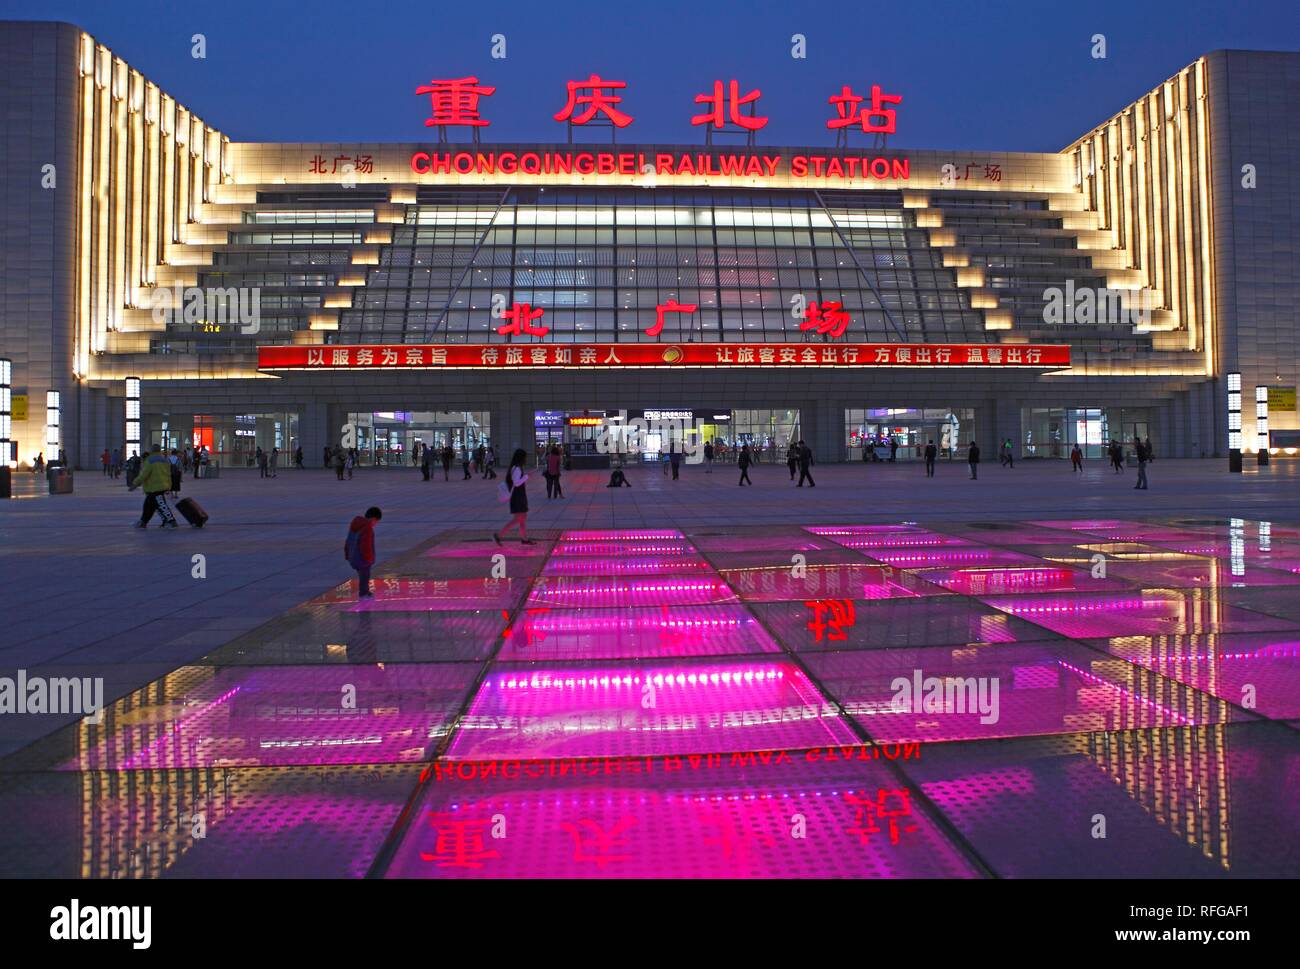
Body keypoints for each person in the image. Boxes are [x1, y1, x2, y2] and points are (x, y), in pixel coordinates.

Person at [494, 448, 534, 545]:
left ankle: (524, 538)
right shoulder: (517, 468)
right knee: (519, 518)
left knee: (522, 518)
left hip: (518, 496)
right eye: (525, 457)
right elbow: (516, 483)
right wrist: (526, 477)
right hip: (517, 496)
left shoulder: (515, 467)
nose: (526, 459)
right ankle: (499, 535)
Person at [135, 444, 178, 529]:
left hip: (153, 488)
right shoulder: (164, 460)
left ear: (151, 450)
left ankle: (171, 521)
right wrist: (168, 486)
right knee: (149, 505)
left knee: (160, 505)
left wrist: (135, 483)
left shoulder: (150, 460)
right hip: (162, 485)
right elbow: (168, 474)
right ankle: (143, 522)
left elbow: (144, 474)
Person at [344, 506, 383, 598]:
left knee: (362, 575)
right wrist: (369, 559)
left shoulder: (355, 524)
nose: (375, 524)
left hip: (353, 556)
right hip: (363, 558)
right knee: (365, 575)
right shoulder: (367, 528)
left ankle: (364, 592)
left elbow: (348, 540)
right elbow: (366, 546)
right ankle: (364, 593)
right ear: (373, 519)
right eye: (376, 522)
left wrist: (347, 554)